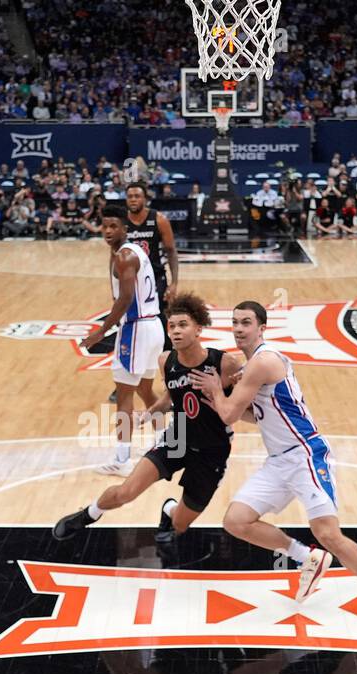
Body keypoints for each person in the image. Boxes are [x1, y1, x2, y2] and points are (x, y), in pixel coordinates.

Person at [187, 302, 357, 623]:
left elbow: (230, 413)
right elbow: (253, 416)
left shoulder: (263, 362)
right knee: (236, 520)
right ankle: (307, 557)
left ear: (262, 328)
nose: (239, 328)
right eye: (234, 322)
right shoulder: (251, 368)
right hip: (279, 461)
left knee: (327, 532)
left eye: (246, 322)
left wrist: (217, 393)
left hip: (306, 454)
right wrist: (218, 401)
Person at [54, 291, 240, 561]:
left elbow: (241, 406)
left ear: (199, 328)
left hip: (213, 449)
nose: (175, 331)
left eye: (183, 325)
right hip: (179, 438)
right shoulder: (167, 361)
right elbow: (170, 397)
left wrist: (219, 396)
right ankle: (87, 514)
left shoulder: (224, 364)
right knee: (126, 491)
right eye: (172, 326)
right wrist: (148, 413)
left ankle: (169, 511)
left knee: (180, 524)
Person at [80, 205, 164, 476]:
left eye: (113, 226)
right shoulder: (136, 250)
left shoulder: (125, 256)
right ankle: (168, 443)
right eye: (104, 226)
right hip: (153, 326)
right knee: (146, 391)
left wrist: (101, 332)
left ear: (126, 228)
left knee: (124, 395)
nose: (107, 231)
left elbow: (125, 298)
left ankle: (122, 459)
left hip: (137, 329)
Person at [122, 181, 179, 344]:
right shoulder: (121, 222)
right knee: (130, 318)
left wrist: (174, 283)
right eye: (130, 196)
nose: (133, 200)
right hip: (129, 280)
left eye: (137, 196)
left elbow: (171, 252)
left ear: (145, 199)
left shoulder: (159, 219)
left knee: (159, 317)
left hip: (154, 277)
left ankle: (166, 353)